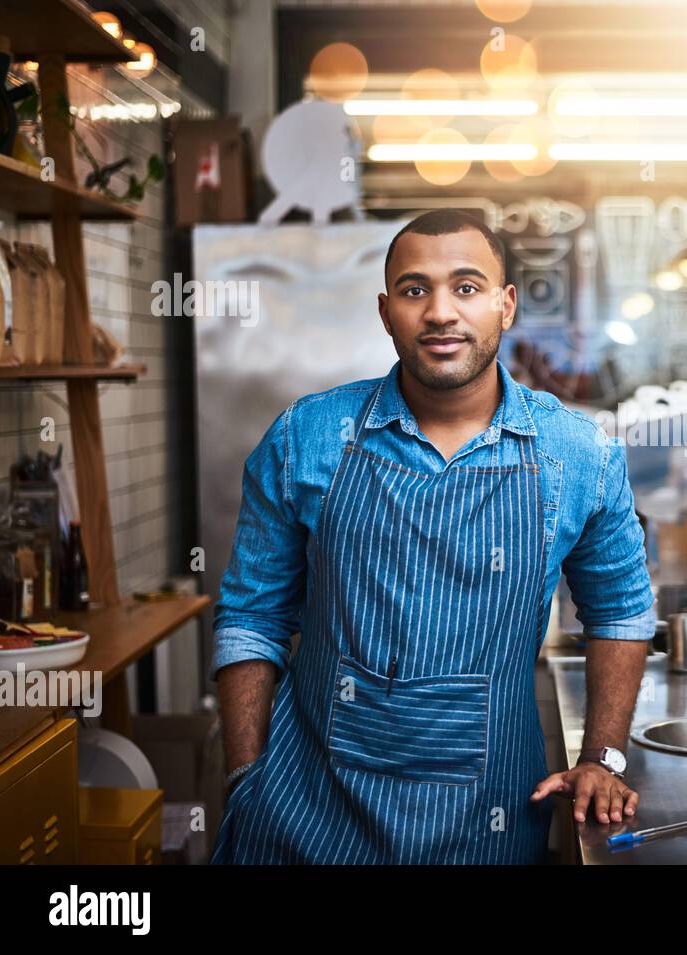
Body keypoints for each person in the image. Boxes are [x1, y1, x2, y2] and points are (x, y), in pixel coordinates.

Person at [209, 210, 655, 864]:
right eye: (416, 290)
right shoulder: (307, 435)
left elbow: (620, 609)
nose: (441, 311)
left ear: (506, 307)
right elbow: (252, 614)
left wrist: (602, 755)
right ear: (387, 312)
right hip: (302, 824)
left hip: (486, 828)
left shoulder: (578, 453)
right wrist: (244, 777)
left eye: (467, 287)